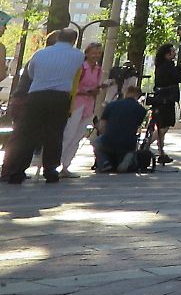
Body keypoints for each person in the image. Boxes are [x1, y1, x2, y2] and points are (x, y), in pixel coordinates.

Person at [2, 28, 84, 184]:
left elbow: (31, 73)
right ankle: (50, 170)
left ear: (58, 37)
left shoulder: (40, 54)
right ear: (74, 40)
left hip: (36, 95)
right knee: (55, 134)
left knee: (28, 133)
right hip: (60, 96)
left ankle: (17, 171)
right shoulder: (78, 55)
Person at [59, 41, 105, 177]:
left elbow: (96, 86)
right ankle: (55, 163)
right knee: (68, 133)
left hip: (88, 106)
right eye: (94, 52)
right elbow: (73, 87)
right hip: (76, 104)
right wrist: (86, 92)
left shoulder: (98, 70)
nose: (96, 55)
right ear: (87, 53)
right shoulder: (81, 68)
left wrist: (98, 90)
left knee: (78, 136)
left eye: (98, 53)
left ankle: (66, 165)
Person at [150, 42, 181, 163]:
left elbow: (176, 70)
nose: (175, 53)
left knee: (162, 126)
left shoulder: (164, 65)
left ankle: (161, 152)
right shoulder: (167, 66)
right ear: (167, 54)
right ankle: (148, 146)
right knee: (164, 126)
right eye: (173, 51)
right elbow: (180, 77)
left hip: (161, 98)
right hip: (166, 99)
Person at [93, 83, 149, 173]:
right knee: (131, 145)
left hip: (109, 140)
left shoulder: (111, 105)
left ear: (126, 93)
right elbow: (137, 127)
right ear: (138, 95)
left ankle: (104, 163)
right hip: (128, 142)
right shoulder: (141, 109)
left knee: (96, 142)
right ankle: (127, 158)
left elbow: (102, 125)